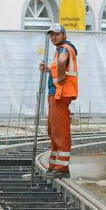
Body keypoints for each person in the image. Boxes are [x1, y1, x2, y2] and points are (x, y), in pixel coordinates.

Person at [41, 23, 77, 175]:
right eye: (51, 34)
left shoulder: (65, 49)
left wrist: (61, 77)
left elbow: (62, 62)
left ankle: (62, 167)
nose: (53, 37)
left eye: (56, 34)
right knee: (54, 130)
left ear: (64, 35)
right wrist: (49, 70)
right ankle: (55, 164)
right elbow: (58, 66)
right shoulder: (60, 50)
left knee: (60, 131)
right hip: (55, 95)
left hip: (60, 95)